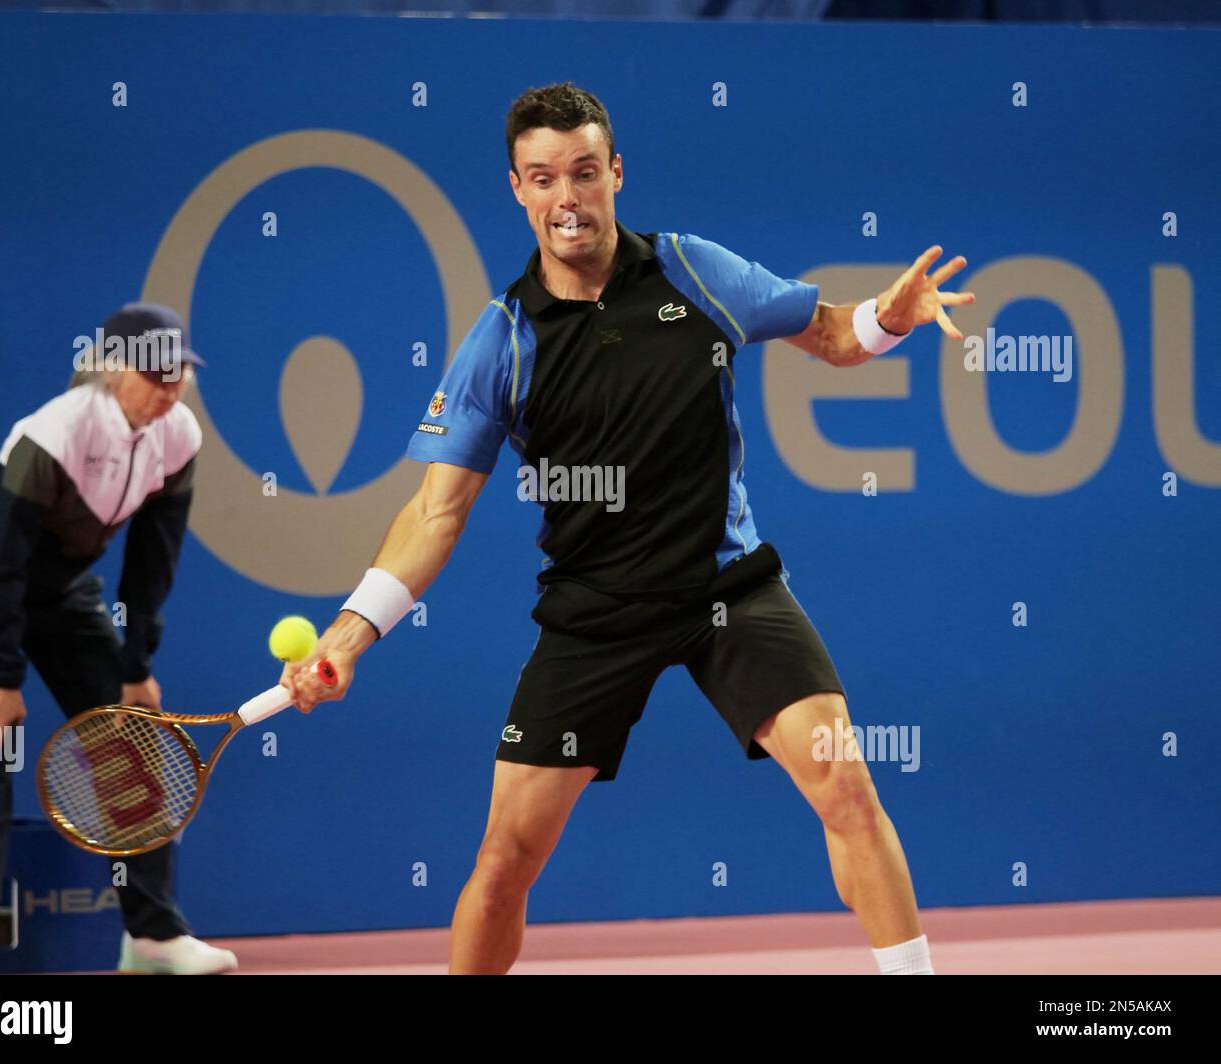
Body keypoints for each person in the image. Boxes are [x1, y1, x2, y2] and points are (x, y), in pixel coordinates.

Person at [283, 83, 975, 975]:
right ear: (519, 191)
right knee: (505, 862)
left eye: (582, 171)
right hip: (595, 611)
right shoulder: (502, 341)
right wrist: (349, 633)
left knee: (846, 780)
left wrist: (890, 316)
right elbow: (434, 512)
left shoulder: (695, 272)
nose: (565, 197)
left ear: (615, 171)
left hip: (728, 590)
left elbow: (832, 334)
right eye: (543, 179)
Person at [0, 303, 237, 975]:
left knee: (132, 733)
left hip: (60, 591)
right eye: (154, 373)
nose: (170, 385)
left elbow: (154, 560)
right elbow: (2, 561)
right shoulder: (57, 431)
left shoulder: (178, 434)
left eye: (178, 371)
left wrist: (134, 664)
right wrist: (1, 678)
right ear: (111, 370)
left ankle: (152, 935)